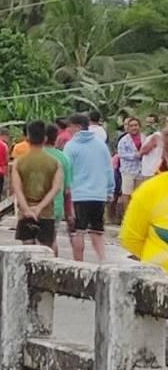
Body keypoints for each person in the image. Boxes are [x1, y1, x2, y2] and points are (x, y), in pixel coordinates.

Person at [64, 112, 114, 262]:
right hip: (98, 195)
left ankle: (78, 263)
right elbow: (108, 168)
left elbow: (67, 171)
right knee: (97, 231)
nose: (68, 130)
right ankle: (103, 260)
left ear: (78, 127)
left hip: (78, 195)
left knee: (78, 232)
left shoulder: (71, 146)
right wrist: (109, 190)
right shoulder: (101, 145)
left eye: (70, 127)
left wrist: (66, 192)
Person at [11, 120, 63, 250]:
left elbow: (17, 189)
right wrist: (39, 207)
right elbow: (55, 189)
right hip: (46, 213)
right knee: (45, 252)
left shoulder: (19, 162)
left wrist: (27, 209)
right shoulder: (55, 163)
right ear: (45, 138)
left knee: (27, 251)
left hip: (25, 213)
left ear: (28, 138)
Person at [42, 120, 73, 257]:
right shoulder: (64, 158)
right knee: (51, 239)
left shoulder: (32, 156)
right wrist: (69, 212)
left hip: (34, 206)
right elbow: (67, 190)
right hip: (56, 207)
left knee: (35, 244)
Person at [117, 116, 143, 216]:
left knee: (138, 194)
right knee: (127, 193)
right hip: (128, 170)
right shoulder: (123, 140)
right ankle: (127, 214)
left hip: (141, 170)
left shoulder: (145, 138)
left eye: (136, 125)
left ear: (140, 126)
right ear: (128, 127)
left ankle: (137, 214)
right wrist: (135, 155)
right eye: (131, 126)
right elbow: (121, 154)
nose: (134, 128)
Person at [138, 114, 163, 188]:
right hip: (152, 170)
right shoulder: (152, 136)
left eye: (151, 123)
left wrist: (138, 153)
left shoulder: (155, 136)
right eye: (147, 122)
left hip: (151, 171)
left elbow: (143, 151)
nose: (148, 125)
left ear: (156, 124)